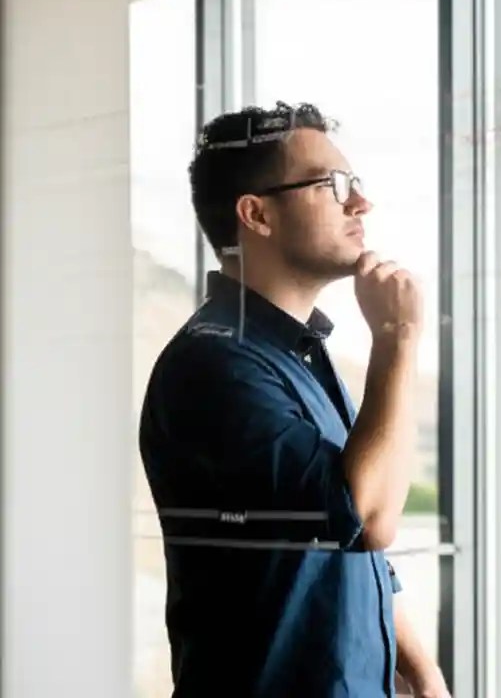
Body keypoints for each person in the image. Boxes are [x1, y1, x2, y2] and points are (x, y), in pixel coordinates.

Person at [138, 101, 450, 698]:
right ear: (256, 214)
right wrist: (397, 337)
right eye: (333, 186)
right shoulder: (215, 367)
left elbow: (348, 538)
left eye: (355, 185)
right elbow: (368, 518)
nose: (360, 203)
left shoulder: (296, 354)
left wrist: (423, 672)